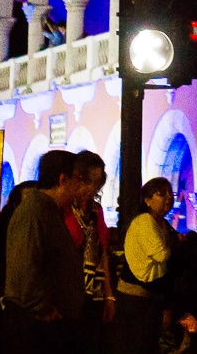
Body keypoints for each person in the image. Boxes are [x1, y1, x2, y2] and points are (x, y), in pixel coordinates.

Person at [4, 150, 89, 353]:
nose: (81, 186)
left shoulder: (49, 210)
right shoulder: (34, 212)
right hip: (37, 325)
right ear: (62, 179)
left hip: (48, 322)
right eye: (78, 179)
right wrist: (42, 307)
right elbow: (24, 265)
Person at [116, 177, 179, 353]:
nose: (168, 197)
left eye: (170, 193)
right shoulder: (144, 221)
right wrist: (176, 244)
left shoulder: (162, 224)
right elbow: (162, 255)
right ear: (147, 200)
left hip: (151, 297)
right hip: (135, 298)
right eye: (161, 193)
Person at [71, 150, 116, 350]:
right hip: (71, 288)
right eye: (90, 181)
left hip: (94, 289)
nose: (93, 187)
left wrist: (108, 295)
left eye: (98, 182)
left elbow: (102, 252)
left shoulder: (96, 210)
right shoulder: (66, 208)